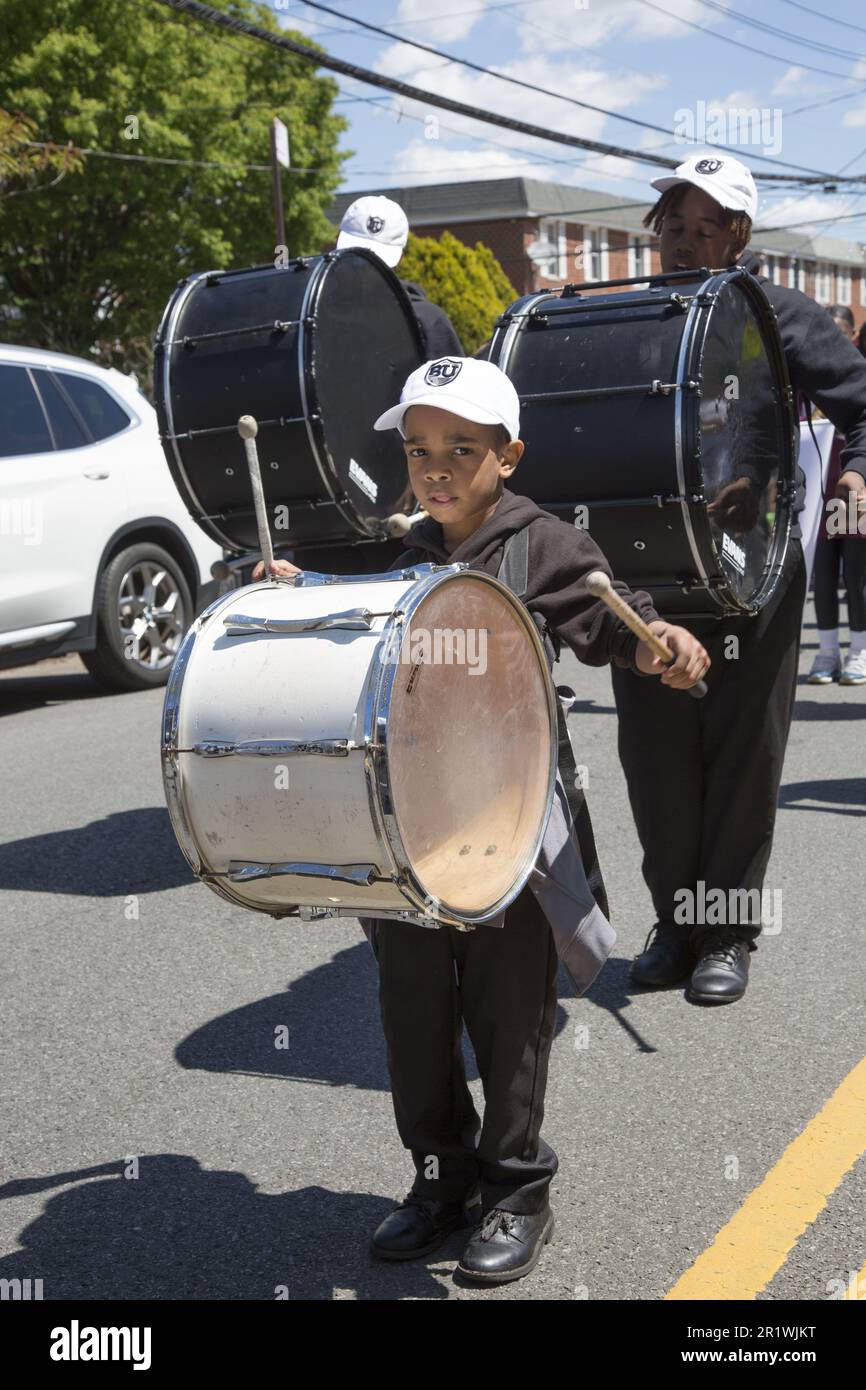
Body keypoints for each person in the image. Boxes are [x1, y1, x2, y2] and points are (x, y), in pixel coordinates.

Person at [256, 356, 709, 1284]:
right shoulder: (405, 546)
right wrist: (295, 585)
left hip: (509, 826)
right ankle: (438, 1178)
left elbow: (612, 619)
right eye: (420, 448)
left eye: (462, 448)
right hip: (408, 832)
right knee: (413, 1015)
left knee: (510, 1021)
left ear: (508, 456)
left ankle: (515, 1187)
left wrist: (663, 641)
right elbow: (354, 623)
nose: (436, 467)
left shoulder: (543, 543)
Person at [620, 153, 866, 1003]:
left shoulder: (780, 315)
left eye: (704, 230)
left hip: (754, 568)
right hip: (649, 574)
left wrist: (854, 471)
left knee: (741, 756)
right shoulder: (631, 316)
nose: (685, 245)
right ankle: (674, 926)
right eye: (673, 229)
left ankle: (725, 932)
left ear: (739, 236)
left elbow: (861, 402)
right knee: (655, 760)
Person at [807, 306, 866, 686]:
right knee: (823, 573)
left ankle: (859, 651)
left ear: (852, 336)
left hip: (851, 492)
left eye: (840, 333)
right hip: (818, 491)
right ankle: (827, 651)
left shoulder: (856, 377)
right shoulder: (808, 378)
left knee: (857, 573)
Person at [337, 195, 465, 358]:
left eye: (378, 261)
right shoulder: (316, 311)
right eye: (355, 257)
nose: (366, 268)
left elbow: (452, 383)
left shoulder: (429, 320)